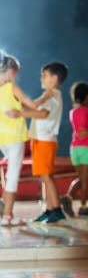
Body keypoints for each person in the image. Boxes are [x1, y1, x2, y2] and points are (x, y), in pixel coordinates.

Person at [9, 61, 67, 223]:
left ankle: (57, 210)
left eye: (45, 75)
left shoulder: (53, 95)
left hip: (45, 141)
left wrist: (20, 113)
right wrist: (22, 108)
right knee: (45, 177)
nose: (41, 78)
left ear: (54, 78)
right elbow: (36, 110)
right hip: (41, 140)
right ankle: (50, 210)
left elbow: (42, 114)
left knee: (47, 177)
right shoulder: (49, 95)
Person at [0, 53, 40, 225]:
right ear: (10, 72)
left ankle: (6, 210)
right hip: (15, 139)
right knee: (12, 176)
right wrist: (46, 98)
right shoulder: (12, 88)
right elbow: (32, 104)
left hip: (2, 139)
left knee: (9, 175)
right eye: (16, 73)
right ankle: (7, 215)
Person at [60, 81, 88, 217]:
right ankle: (82, 207)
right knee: (85, 180)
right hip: (87, 149)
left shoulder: (72, 112)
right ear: (87, 97)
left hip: (75, 149)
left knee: (81, 178)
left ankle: (68, 198)